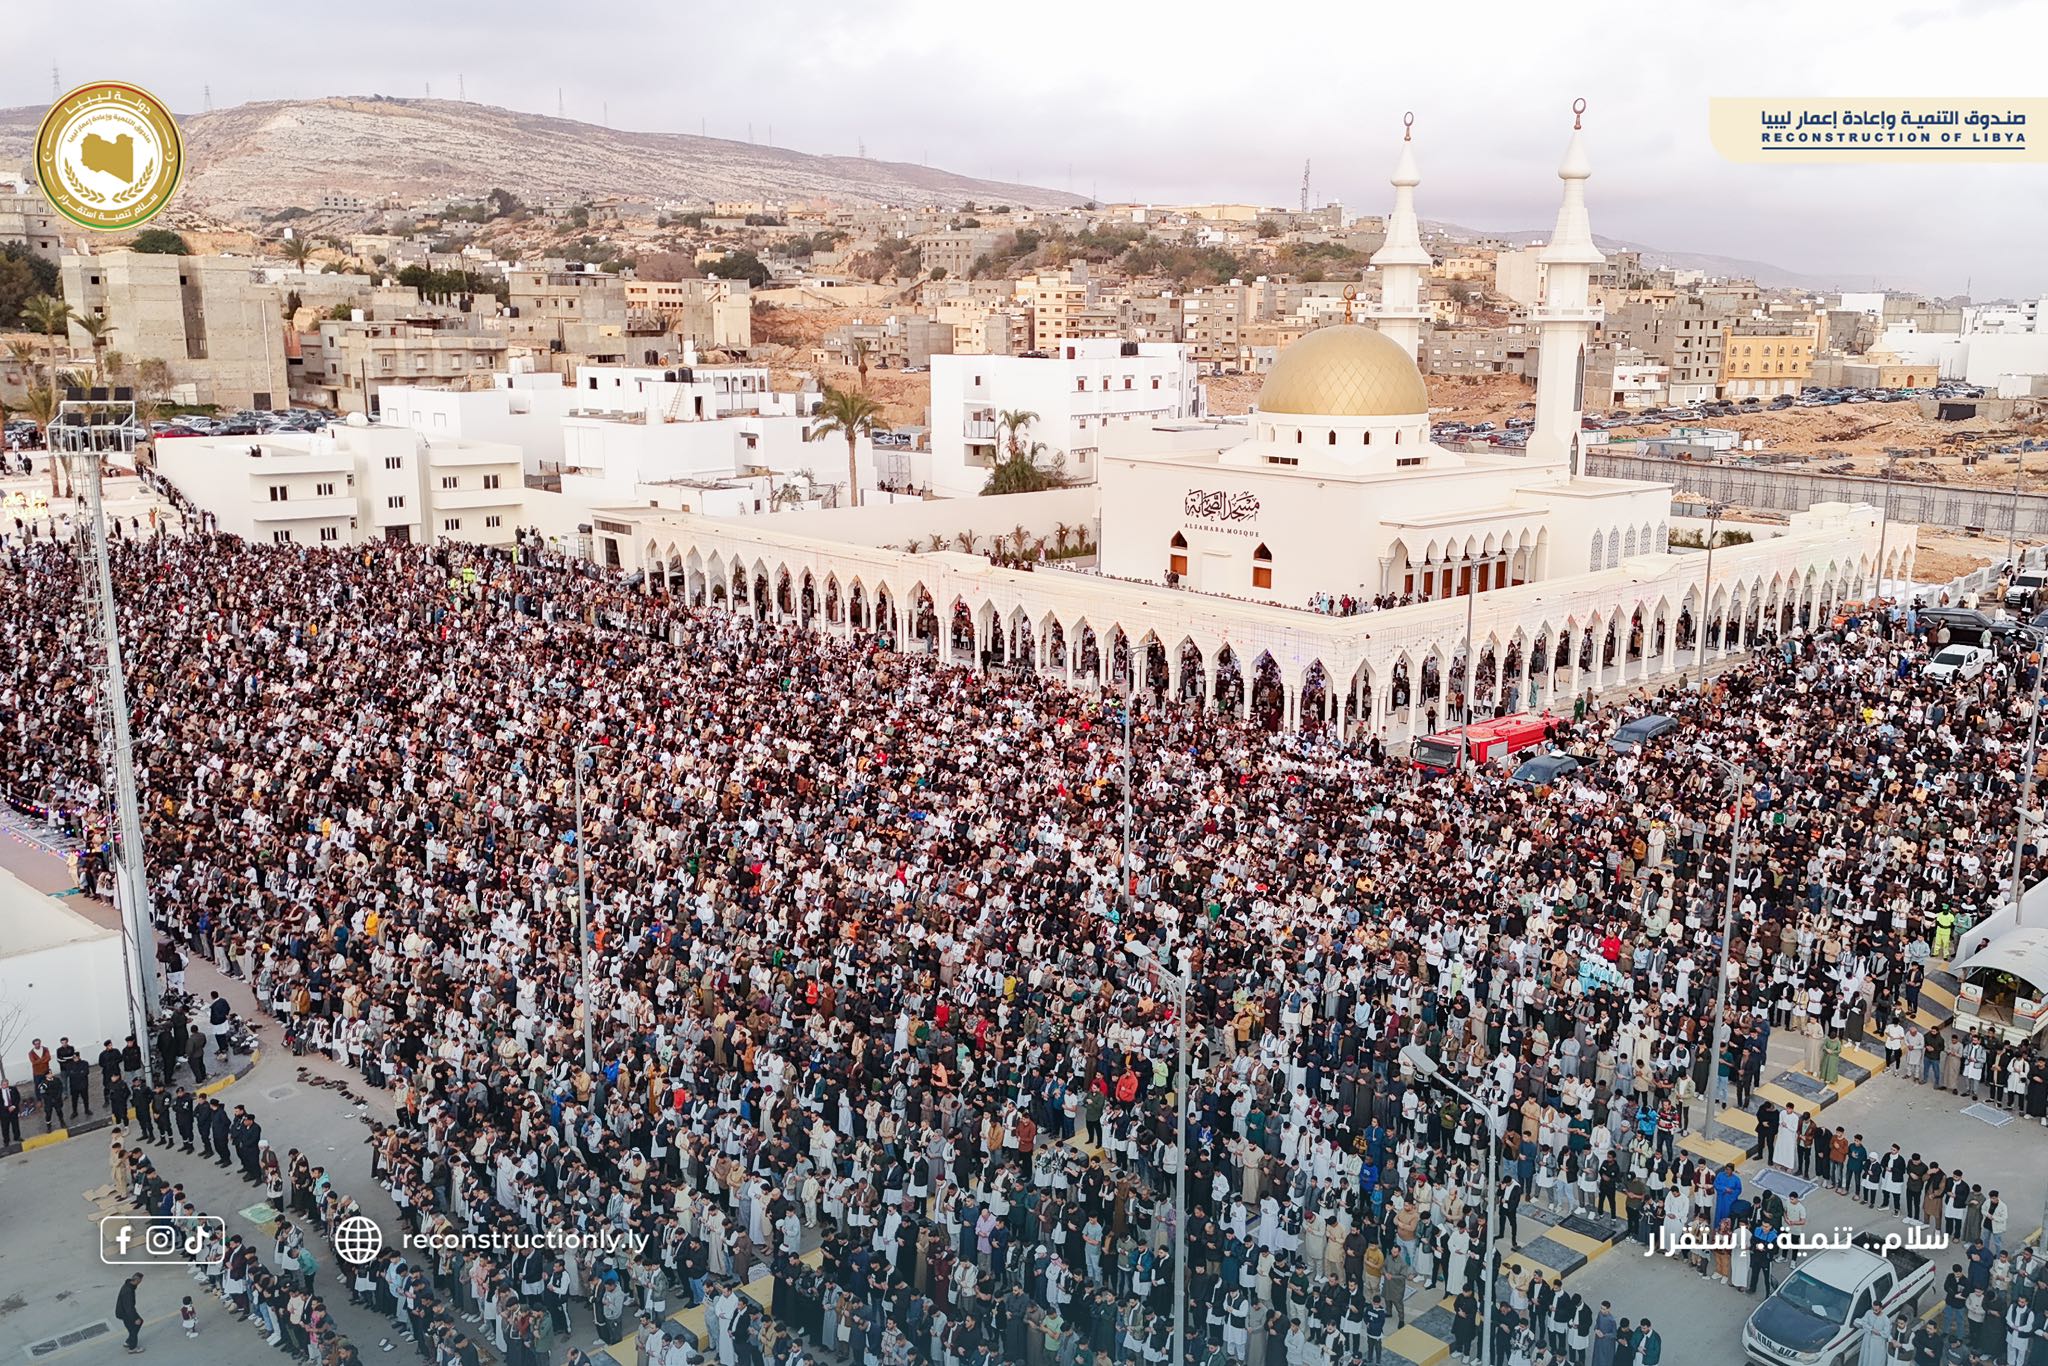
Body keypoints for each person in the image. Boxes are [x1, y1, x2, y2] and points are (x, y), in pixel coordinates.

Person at [116, 1272, 144, 1354]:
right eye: (140, 1281)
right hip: (125, 1313)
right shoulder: (128, 1291)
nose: (140, 1282)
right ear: (137, 1280)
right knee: (136, 1325)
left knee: (131, 1327)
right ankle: (132, 1347)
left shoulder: (129, 1285)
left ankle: (128, 1341)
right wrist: (135, 1318)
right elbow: (129, 1307)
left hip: (122, 1311)